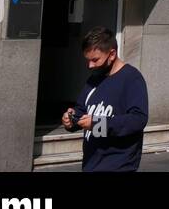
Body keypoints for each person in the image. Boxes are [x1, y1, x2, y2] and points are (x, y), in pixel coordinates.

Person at [62, 27, 149, 172]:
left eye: (95, 60)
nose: (90, 65)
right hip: (91, 164)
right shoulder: (93, 80)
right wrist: (71, 120)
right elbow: (81, 110)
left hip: (119, 165)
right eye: (88, 60)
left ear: (112, 54)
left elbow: (138, 119)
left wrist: (97, 124)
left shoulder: (131, 78)